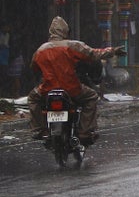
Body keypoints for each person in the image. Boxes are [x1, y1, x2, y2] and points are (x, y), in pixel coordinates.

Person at [27, 16, 126, 145]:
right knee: (92, 97)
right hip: (71, 88)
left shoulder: (41, 50)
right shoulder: (72, 46)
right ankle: (84, 132)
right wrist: (112, 51)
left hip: (47, 88)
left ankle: (40, 129)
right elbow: (93, 53)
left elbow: (33, 67)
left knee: (32, 99)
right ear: (66, 32)